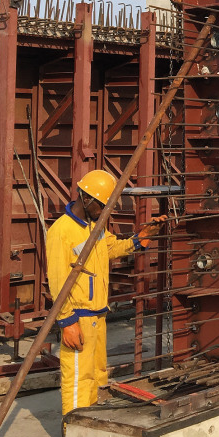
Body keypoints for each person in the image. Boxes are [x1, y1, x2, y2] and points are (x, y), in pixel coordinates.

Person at [46, 170, 165, 422]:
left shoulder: (95, 226)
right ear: (87, 199)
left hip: (98, 315)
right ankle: (72, 430)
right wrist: (66, 322)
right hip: (78, 317)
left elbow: (110, 248)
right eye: (102, 206)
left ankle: (91, 427)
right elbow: (56, 280)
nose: (105, 213)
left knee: (97, 376)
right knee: (78, 380)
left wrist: (141, 239)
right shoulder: (62, 231)